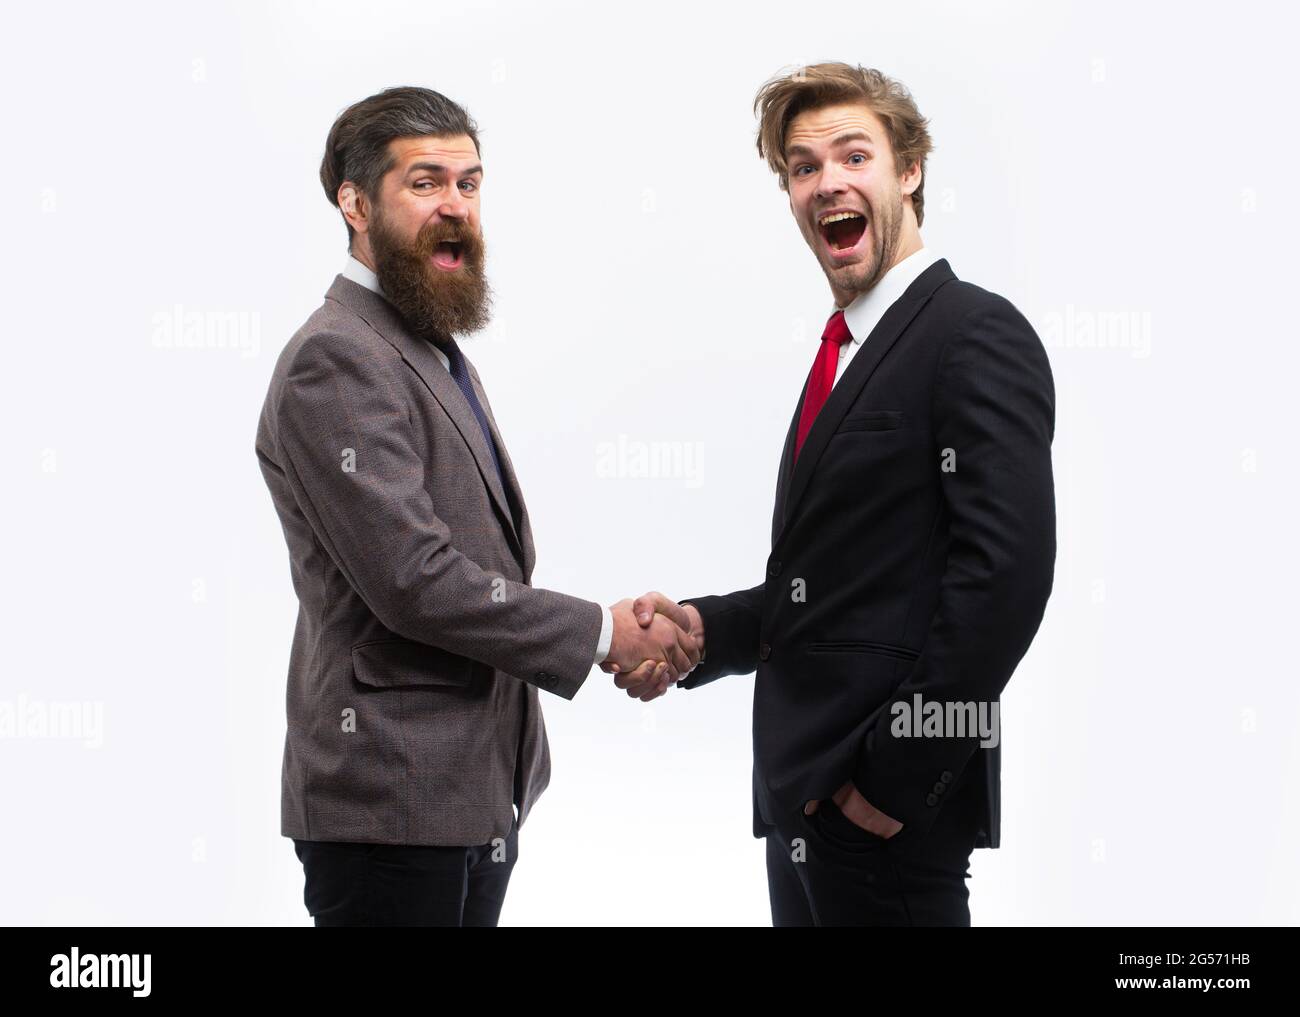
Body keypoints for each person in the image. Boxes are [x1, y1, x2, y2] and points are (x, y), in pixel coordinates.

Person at [619, 63, 1056, 926]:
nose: (827, 183)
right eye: (803, 167)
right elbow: (841, 585)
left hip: (883, 821)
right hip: (802, 808)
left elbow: (1005, 582)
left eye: (854, 155)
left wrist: (891, 783)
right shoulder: (848, 352)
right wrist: (706, 632)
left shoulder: (973, 332)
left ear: (910, 170)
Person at [255, 86, 698, 926]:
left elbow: (477, 558)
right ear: (353, 203)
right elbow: (414, 579)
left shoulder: (422, 343)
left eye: (469, 183)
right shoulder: (338, 358)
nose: (455, 206)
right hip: (389, 802)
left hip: (466, 791)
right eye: (425, 183)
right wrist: (602, 634)